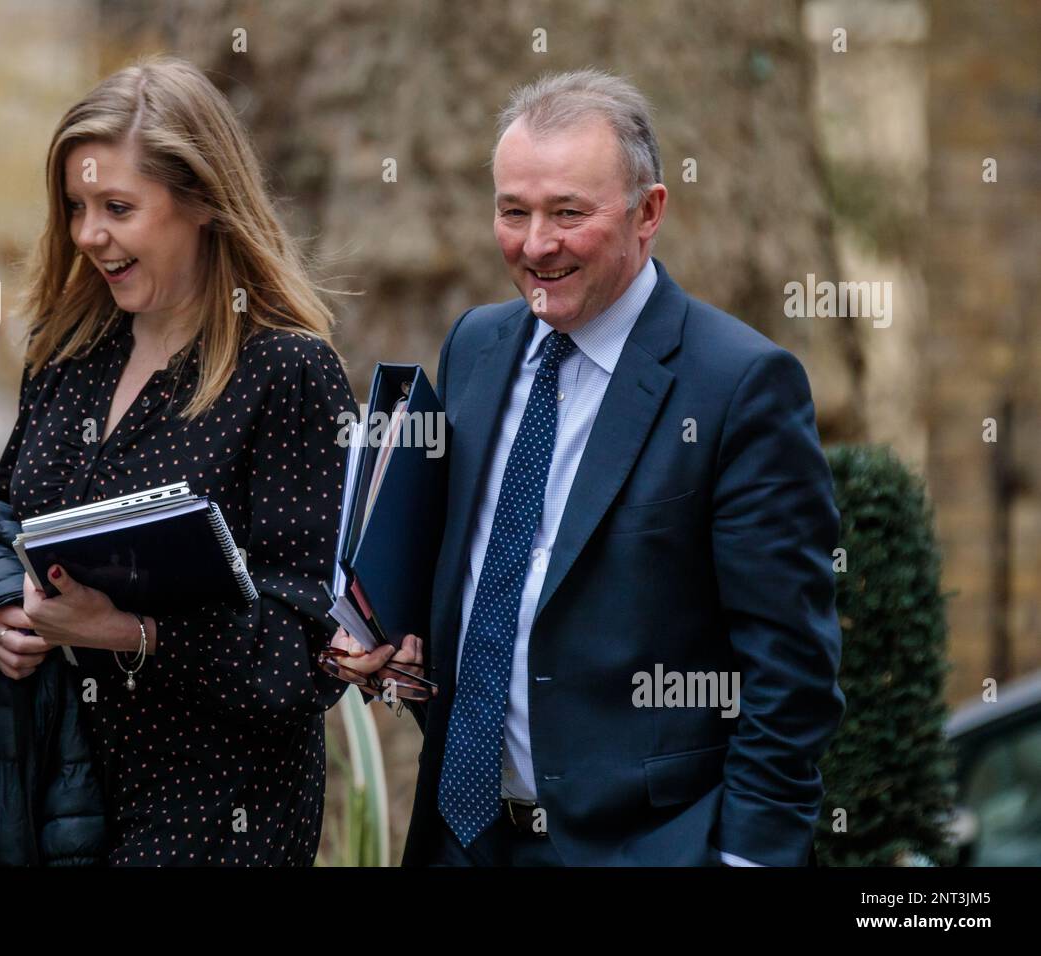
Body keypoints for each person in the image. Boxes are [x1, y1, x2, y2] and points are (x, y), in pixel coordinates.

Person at [329, 69, 845, 866]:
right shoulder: (474, 346)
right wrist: (397, 643)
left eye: (569, 212)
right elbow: (480, 581)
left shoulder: (740, 386)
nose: (536, 244)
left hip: (651, 848)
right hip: (463, 839)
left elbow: (792, 674)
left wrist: (746, 859)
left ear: (649, 214)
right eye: (513, 211)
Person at [0, 55, 355, 865]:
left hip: (212, 817)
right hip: (54, 799)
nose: (88, 235)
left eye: (118, 206)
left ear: (204, 205)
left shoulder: (288, 374)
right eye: (77, 207)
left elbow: (315, 651)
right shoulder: (64, 356)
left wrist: (134, 632)